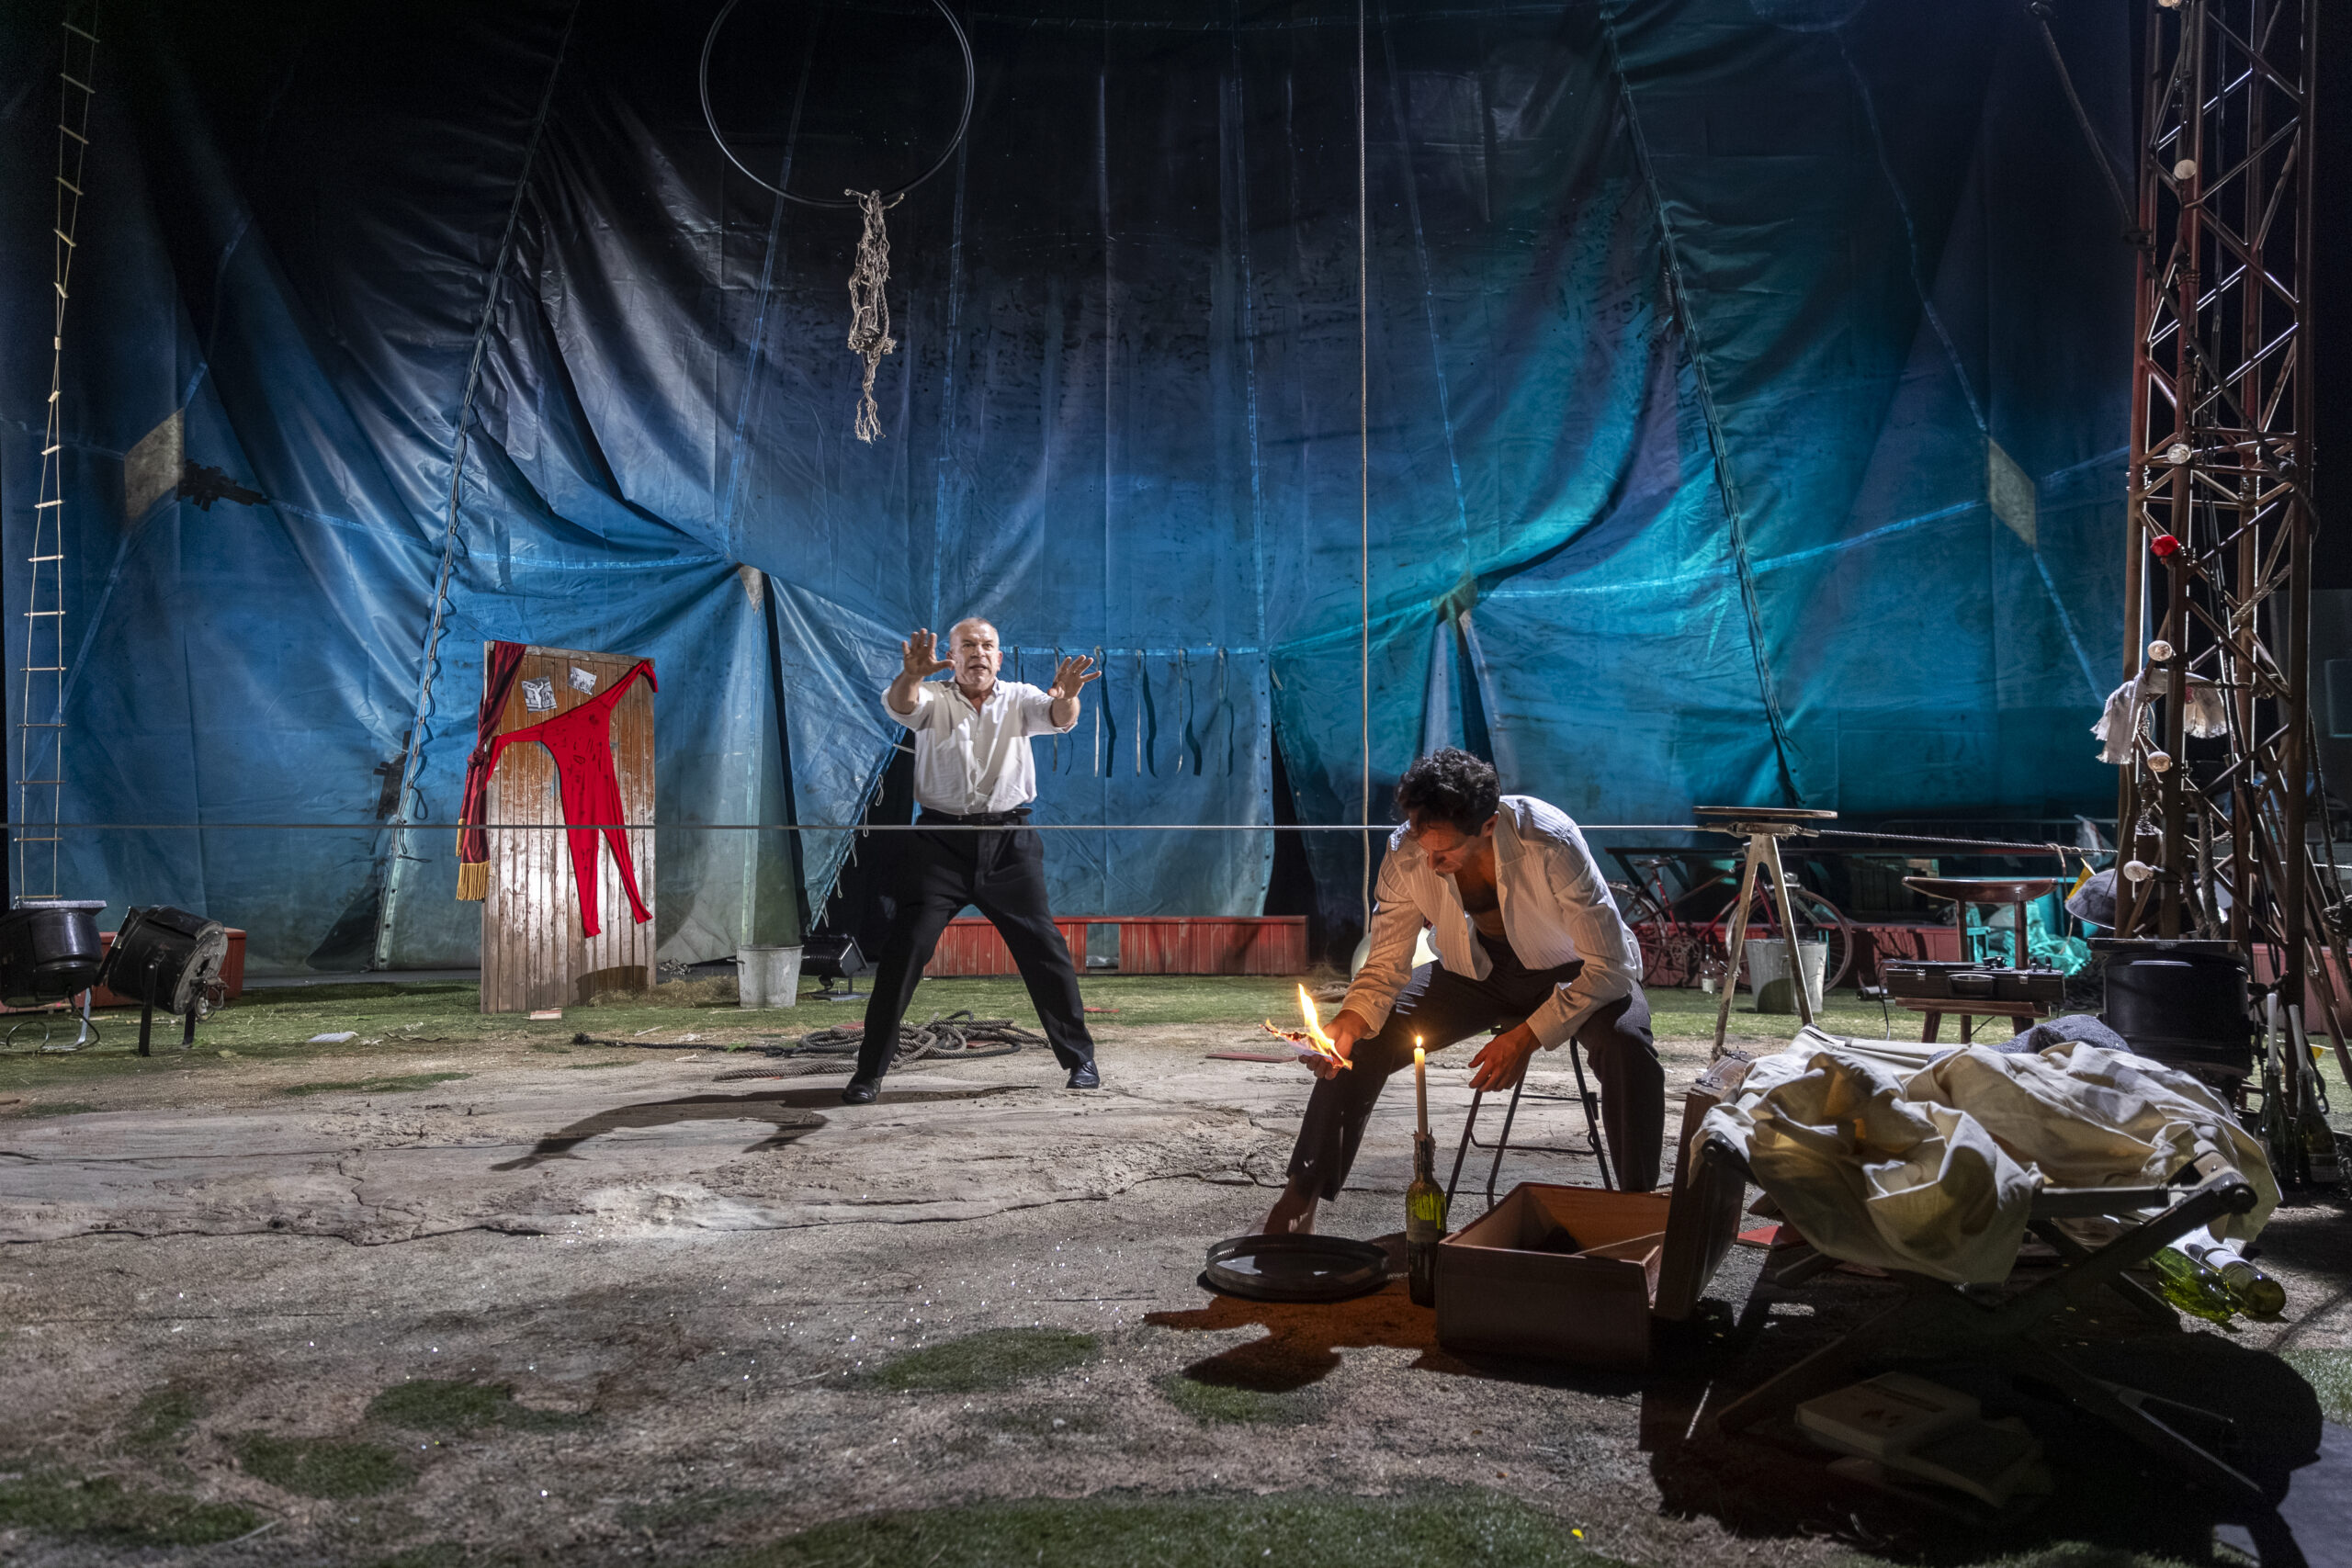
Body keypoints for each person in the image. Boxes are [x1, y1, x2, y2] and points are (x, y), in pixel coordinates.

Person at [1261, 748, 1664, 1233]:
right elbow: (1386, 963)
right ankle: (1300, 1196)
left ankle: (1639, 1207)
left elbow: (1611, 966)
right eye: (1420, 840)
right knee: (1362, 1040)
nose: (1430, 862)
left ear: (1488, 826)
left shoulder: (1549, 841)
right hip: (1476, 971)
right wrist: (1348, 1023)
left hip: (1574, 969)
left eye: (1445, 851)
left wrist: (1528, 1035)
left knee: (1627, 1044)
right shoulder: (1405, 853)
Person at [845, 619, 1102, 1105]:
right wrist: (910, 676)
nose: (978, 653)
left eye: (987, 646)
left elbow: (1059, 714)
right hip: (940, 845)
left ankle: (1080, 1059)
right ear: (952, 655)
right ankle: (868, 1074)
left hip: (1010, 843)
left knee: (1045, 951)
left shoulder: (1020, 697)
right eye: (968, 646)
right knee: (904, 954)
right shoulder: (932, 697)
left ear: (999, 658)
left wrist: (1068, 695)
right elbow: (901, 704)